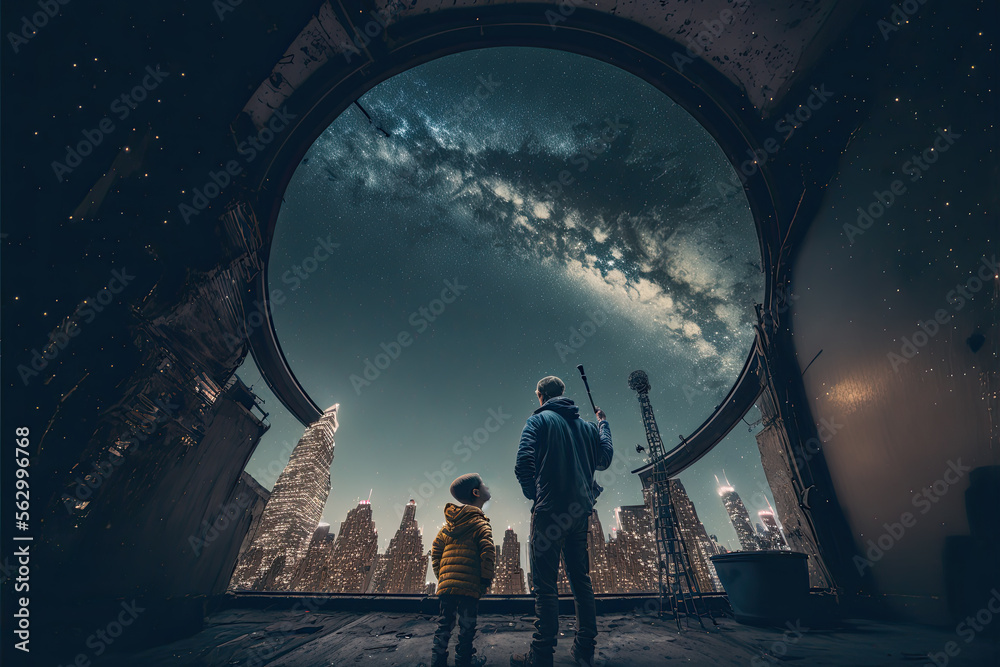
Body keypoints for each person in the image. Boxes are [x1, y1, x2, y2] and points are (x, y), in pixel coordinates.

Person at [510, 376, 613, 667]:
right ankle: (584, 651)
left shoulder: (538, 422)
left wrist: (536, 497)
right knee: (581, 582)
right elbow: (603, 460)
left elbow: (523, 463)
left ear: (540, 395)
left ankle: (541, 655)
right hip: (580, 513)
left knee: (545, 586)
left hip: (549, 512)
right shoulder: (589, 428)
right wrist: (604, 425)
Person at [430, 473, 495, 667]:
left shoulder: (447, 526)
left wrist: (442, 577)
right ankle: (463, 660)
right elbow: (488, 552)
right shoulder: (480, 523)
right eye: (484, 485)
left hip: (447, 587)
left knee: (444, 625)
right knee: (467, 627)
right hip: (469, 588)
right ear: (476, 492)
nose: (488, 488)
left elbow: (435, 552)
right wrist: (485, 580)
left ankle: (437, 660)